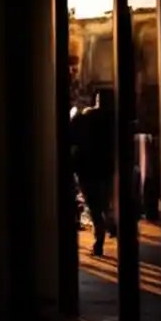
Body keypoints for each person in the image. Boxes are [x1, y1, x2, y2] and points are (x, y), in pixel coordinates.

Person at [70, 87, 116, 256]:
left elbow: (71, 137)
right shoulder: (113, 120)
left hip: (87, 169)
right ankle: (108, 225)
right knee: (104, 203)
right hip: (105, 168)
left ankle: (100, 237)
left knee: (94, 205)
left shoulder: (84, 117)